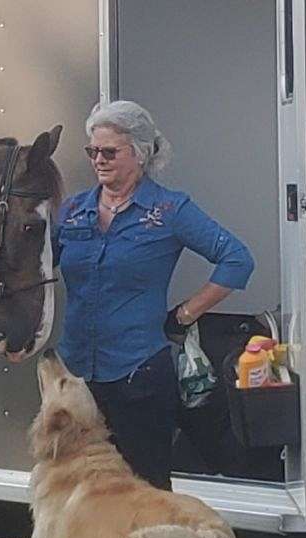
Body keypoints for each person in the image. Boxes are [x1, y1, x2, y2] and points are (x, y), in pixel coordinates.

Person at [51, 100, 255, 490]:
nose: (98, 160)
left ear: (140, 154)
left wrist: (184, 314)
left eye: (109, 152)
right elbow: (35, 267)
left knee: (143, 489)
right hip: (76, 375)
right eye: (92, 151)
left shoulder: (168, 209)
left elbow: (237, 259)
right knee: (77, 488)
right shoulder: (75, 209)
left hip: (138, 375)